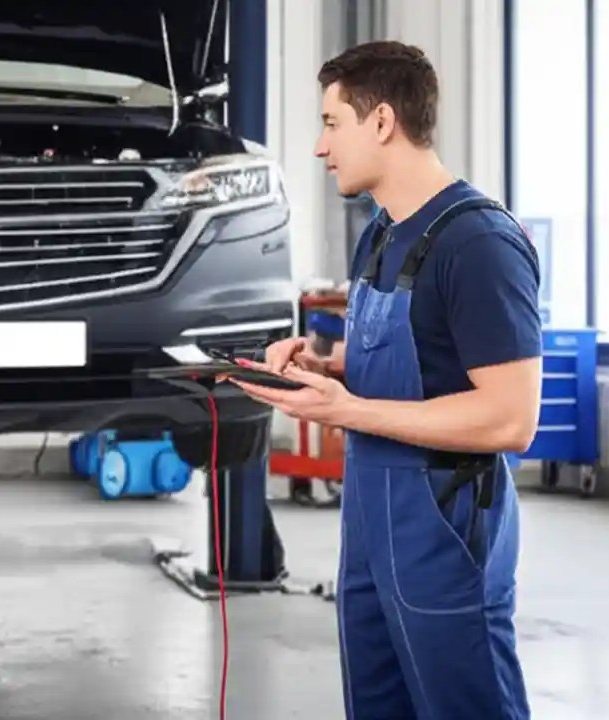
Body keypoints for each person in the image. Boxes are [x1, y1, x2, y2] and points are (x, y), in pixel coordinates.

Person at [229, 40, 540, 719]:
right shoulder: (381, 234)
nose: (319, 146)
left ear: (381, 122)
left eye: (331, 122)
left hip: (442, 524)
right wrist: (321, 368)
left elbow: (511, 420)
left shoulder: (478, 243)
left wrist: (348, 412)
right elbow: (417, 362)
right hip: (370, 520)